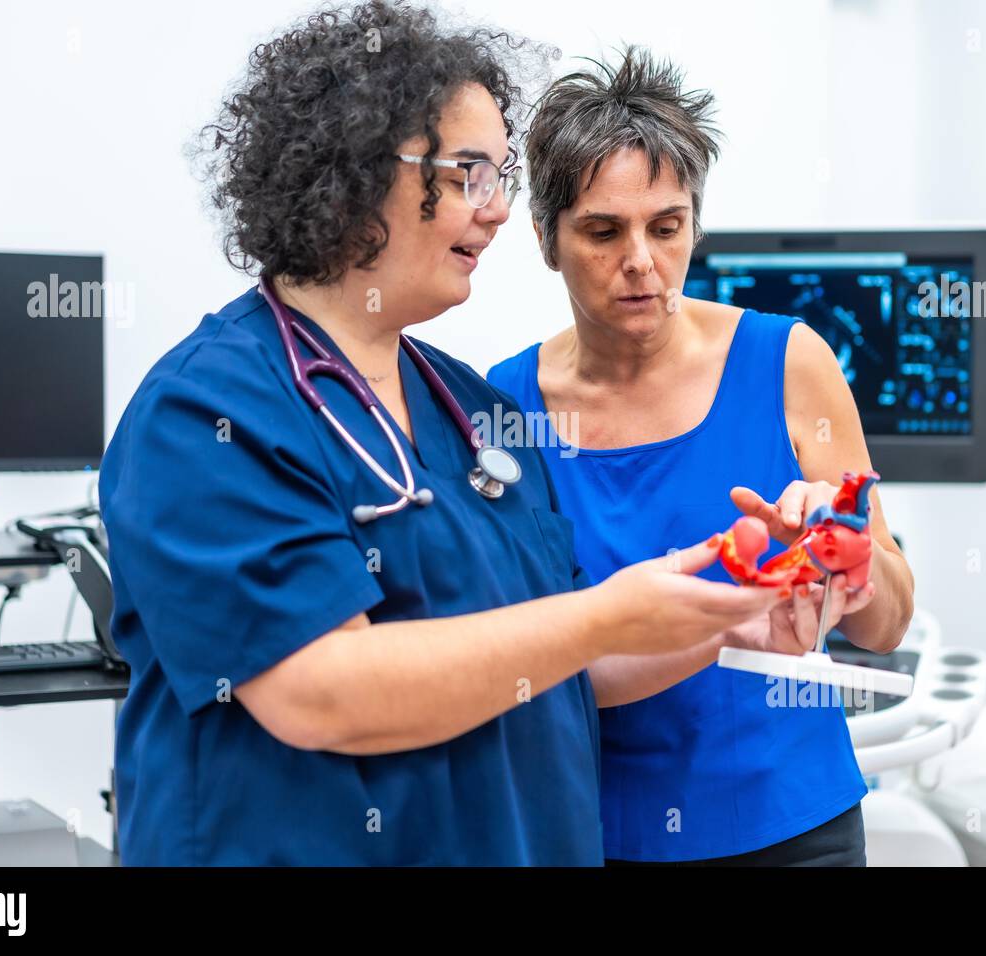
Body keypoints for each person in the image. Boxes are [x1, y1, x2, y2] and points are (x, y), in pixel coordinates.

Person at [98, 2, 783, 865]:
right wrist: (603, 616)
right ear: (353, 173)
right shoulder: (208, 414)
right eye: (470, 174)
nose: (498, 213)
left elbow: (571, 666)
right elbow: (320, 691)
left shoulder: (470, 408)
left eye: (502, 178)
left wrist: (717, 616)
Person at [487, 48, 915, 866]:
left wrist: (848, 559)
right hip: (593, 832)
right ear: (546, 238)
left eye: (667, 227)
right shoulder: (500, 410)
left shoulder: (789, 363)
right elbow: (515, 667)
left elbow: (888, 619)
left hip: (791, 825)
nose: (641, 262)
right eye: (603, 231)